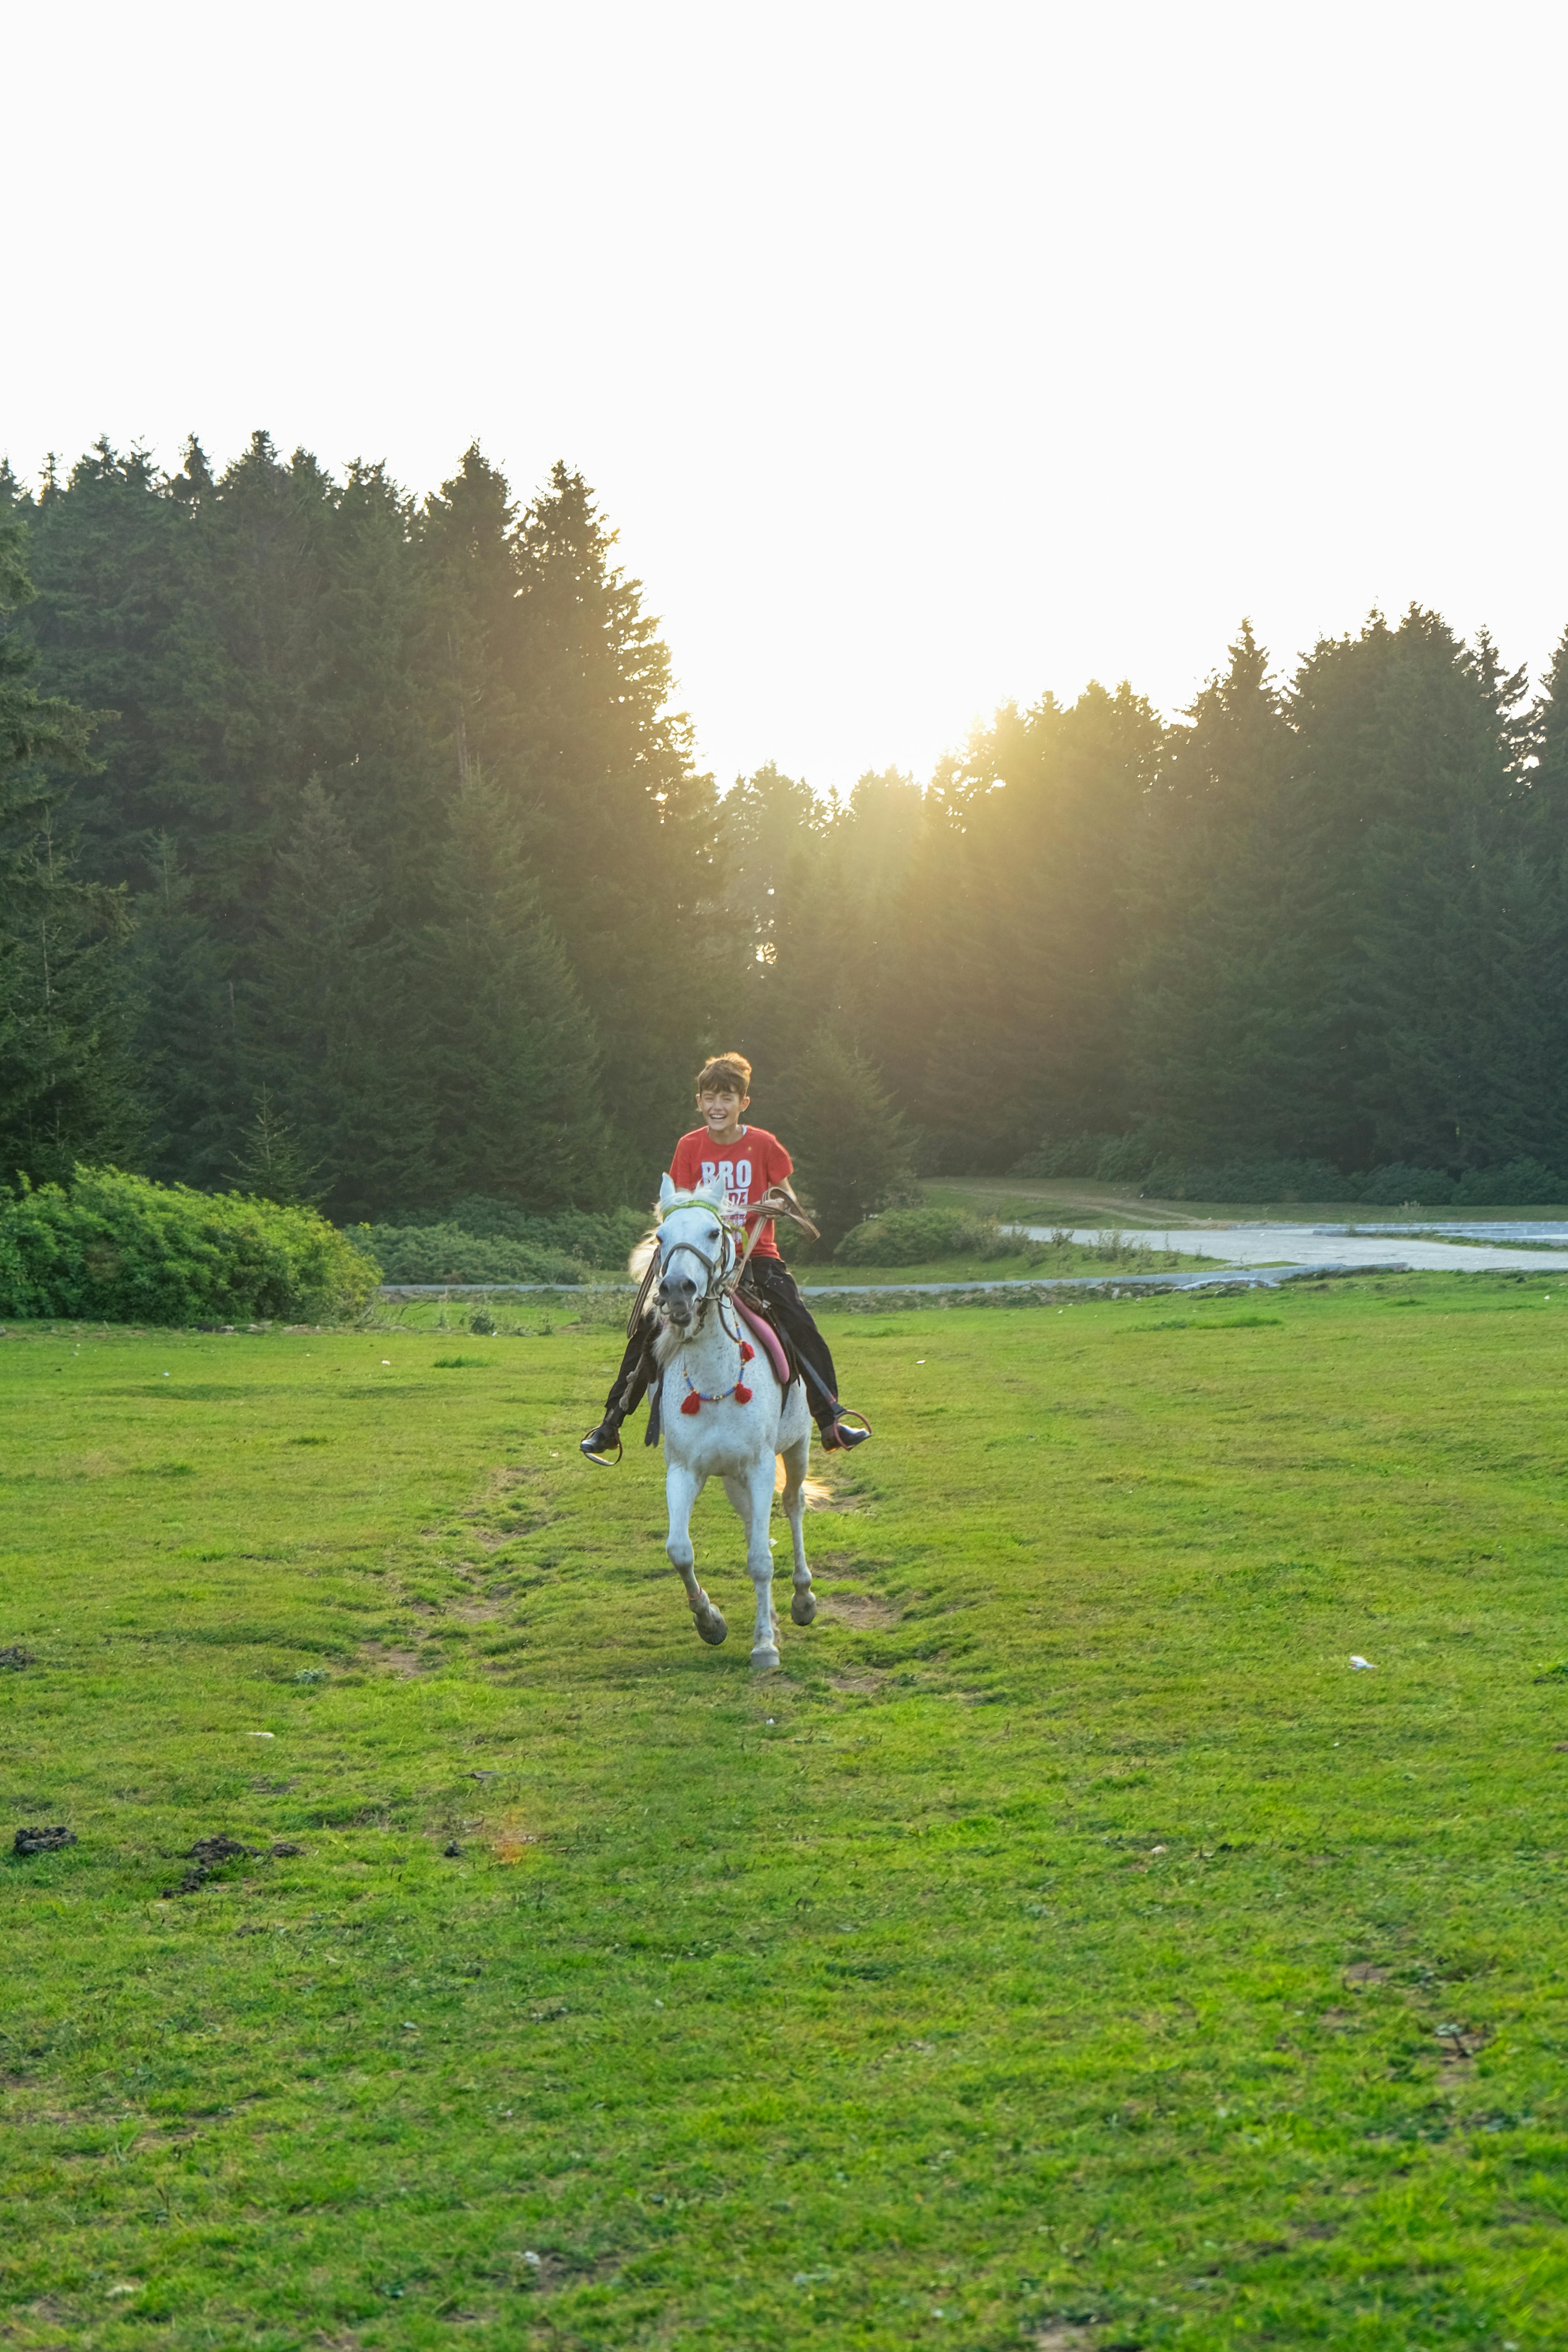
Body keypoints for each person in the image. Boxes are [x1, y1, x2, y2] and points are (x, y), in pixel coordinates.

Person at [580, 1052, 871, 1463]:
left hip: (757, 1259)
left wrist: (769, 1206)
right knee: (648, 1330)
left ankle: (830, 1419)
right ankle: (611, 1423)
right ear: (699, 1102)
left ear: (743, 1104)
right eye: (711, 1098)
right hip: (702, 1262)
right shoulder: (689, 1146)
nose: (718, 1107)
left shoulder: (764, 1145)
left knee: (800, 1324)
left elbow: (788, 1196)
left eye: (728, 1098)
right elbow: (678, 1206)